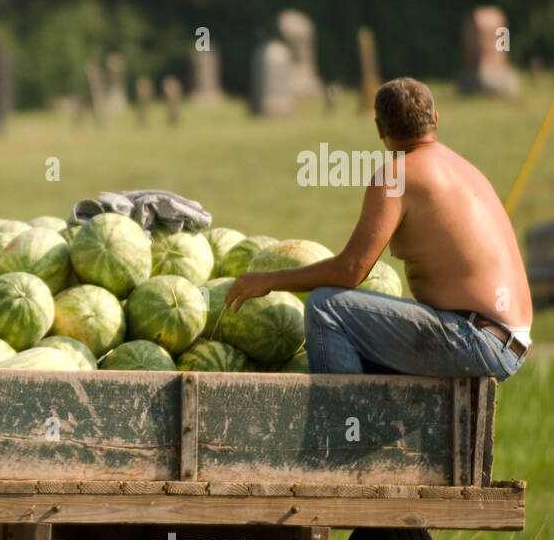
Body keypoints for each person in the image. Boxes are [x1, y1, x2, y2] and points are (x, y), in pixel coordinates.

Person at [226, 77, 531, 379]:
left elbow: (351, 271)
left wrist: (267, 280)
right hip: (508, 339)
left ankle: (348, 424)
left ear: (379, 129)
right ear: (436, 119)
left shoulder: (396, 176)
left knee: (324, 307)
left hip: (475, 339)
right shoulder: (467, 169)